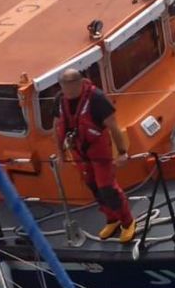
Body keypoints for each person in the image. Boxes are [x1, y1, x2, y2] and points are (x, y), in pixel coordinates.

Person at [54, 68, 136, 243]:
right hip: (78, 153)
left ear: (79, 83)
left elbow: (113, 127)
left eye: (69, 87)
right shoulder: (60, 100)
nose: (67, 91)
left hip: (99, 152)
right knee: (94, 187)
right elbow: (57, 127)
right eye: (63, 87)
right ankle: (111, 219)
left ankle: (127, 222)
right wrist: (60, 153)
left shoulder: (96, 99)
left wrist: (122, 152)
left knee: (107, 188)